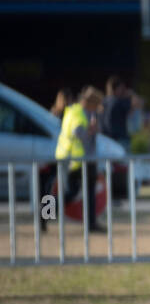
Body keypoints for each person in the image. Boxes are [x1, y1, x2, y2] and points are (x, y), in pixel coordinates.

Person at [51, 85, 106, 232]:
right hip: (73, 160)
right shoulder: (77, 112)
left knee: (89, 191)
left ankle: (91, 223)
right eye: (96, 104)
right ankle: (45, 211)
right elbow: (78, 133)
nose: (97, 108)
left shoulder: (86, 112)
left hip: (85, 160)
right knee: (69, 192)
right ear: (90, 102)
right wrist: (91, 130)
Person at [103, 74, 133, 146]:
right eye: (121, 88)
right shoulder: (119, 102)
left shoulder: (105, 101)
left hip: (107, 139)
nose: (123, 90)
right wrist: (130, 95)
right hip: (121, 139)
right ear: (117, 88)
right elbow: (137, 105)